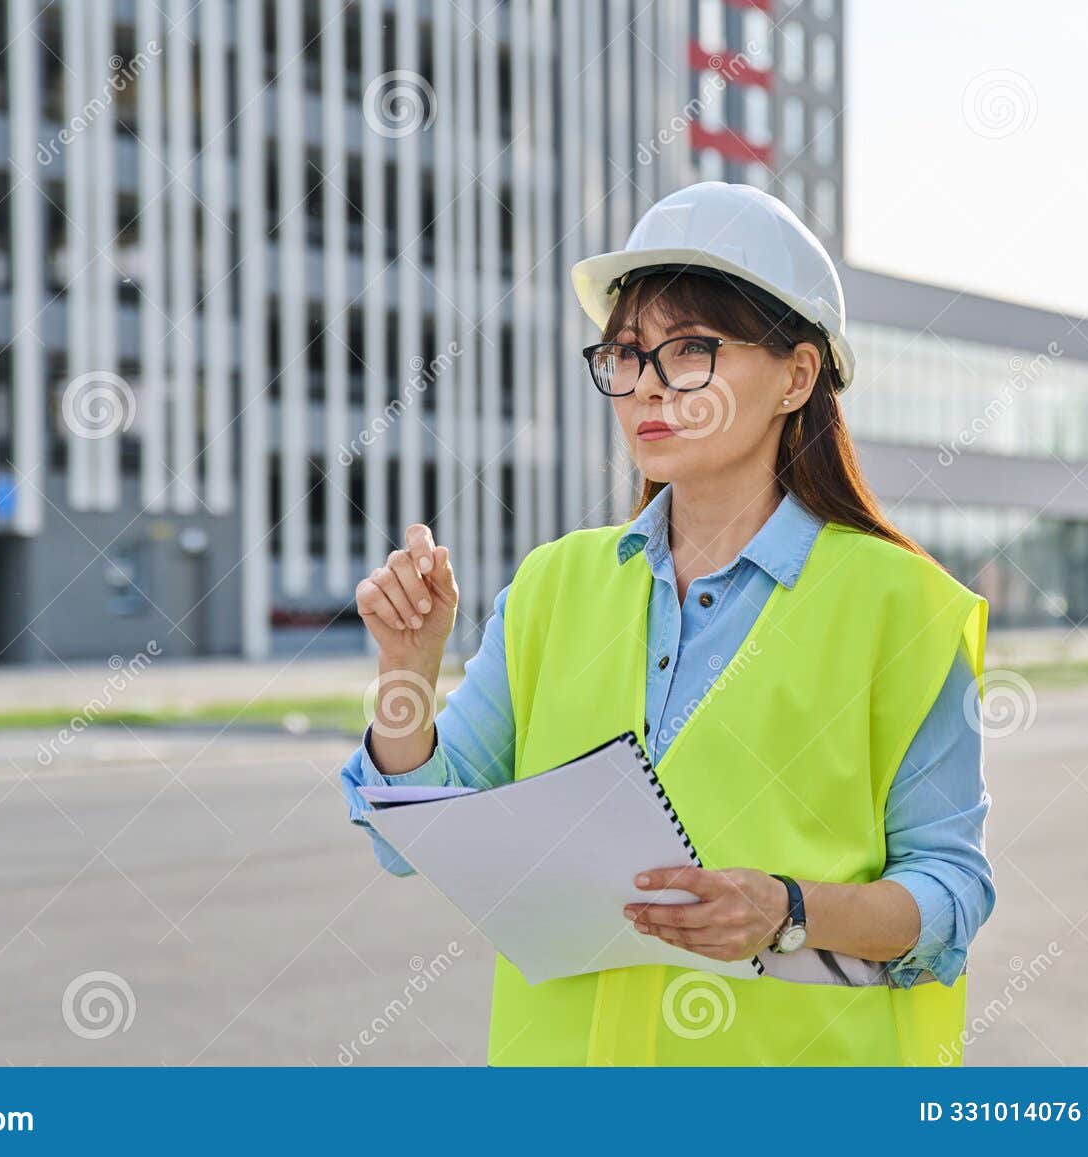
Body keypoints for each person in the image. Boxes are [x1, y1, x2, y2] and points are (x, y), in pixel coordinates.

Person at [338, 181, 994, 1066]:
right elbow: (407, 837)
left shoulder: (902, 607)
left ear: (797, 376)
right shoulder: (551, 585)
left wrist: (789, 911)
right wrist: (407, 673)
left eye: (690, 350)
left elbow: (951, 888)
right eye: (625, 353)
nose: (645, 386)